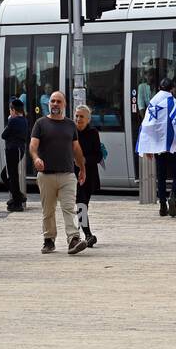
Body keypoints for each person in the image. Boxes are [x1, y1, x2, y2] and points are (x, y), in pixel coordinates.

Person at [29, 91, 88, 256]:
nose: (55, 104)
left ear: (64, 105)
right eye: (52, 101)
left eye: (58, 102)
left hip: (67, 175)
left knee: (69, 208)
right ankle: (49, 240)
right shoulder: (40, 123)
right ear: (49, 104)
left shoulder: (70, 125)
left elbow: (76, 149)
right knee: (48, 210)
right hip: (46, 175)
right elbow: (33, 146)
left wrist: (82, 168)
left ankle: (73, 239)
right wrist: (36, 158)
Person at [136, 78, 176, 217]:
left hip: (160, 149)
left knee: (160, 177)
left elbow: (147, 127)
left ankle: (162, 205)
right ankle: (172, 195)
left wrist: (148, 147)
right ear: (172, 89)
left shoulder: (154, 107)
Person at [73, 105, 102, 248]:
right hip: (73, 174)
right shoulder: (70, 131)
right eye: (76, 116)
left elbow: (98, 156)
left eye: (81, 116)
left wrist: (84, 160)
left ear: (88, 119)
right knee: (81, 203)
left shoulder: (93, 133)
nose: (78, 119)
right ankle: (88, 234)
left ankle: (81, 230)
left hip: (89, 175)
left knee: (84, 205)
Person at [2, 99, 30, 212]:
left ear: (13, 110)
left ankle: (17, 201)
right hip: (18, 150)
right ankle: (17, 197)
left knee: (11, 176)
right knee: (7, 175)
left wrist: (9, 121)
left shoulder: (13, 121)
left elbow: (4, 135)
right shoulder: (24, 120)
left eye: (10, 109)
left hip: (13, 150)